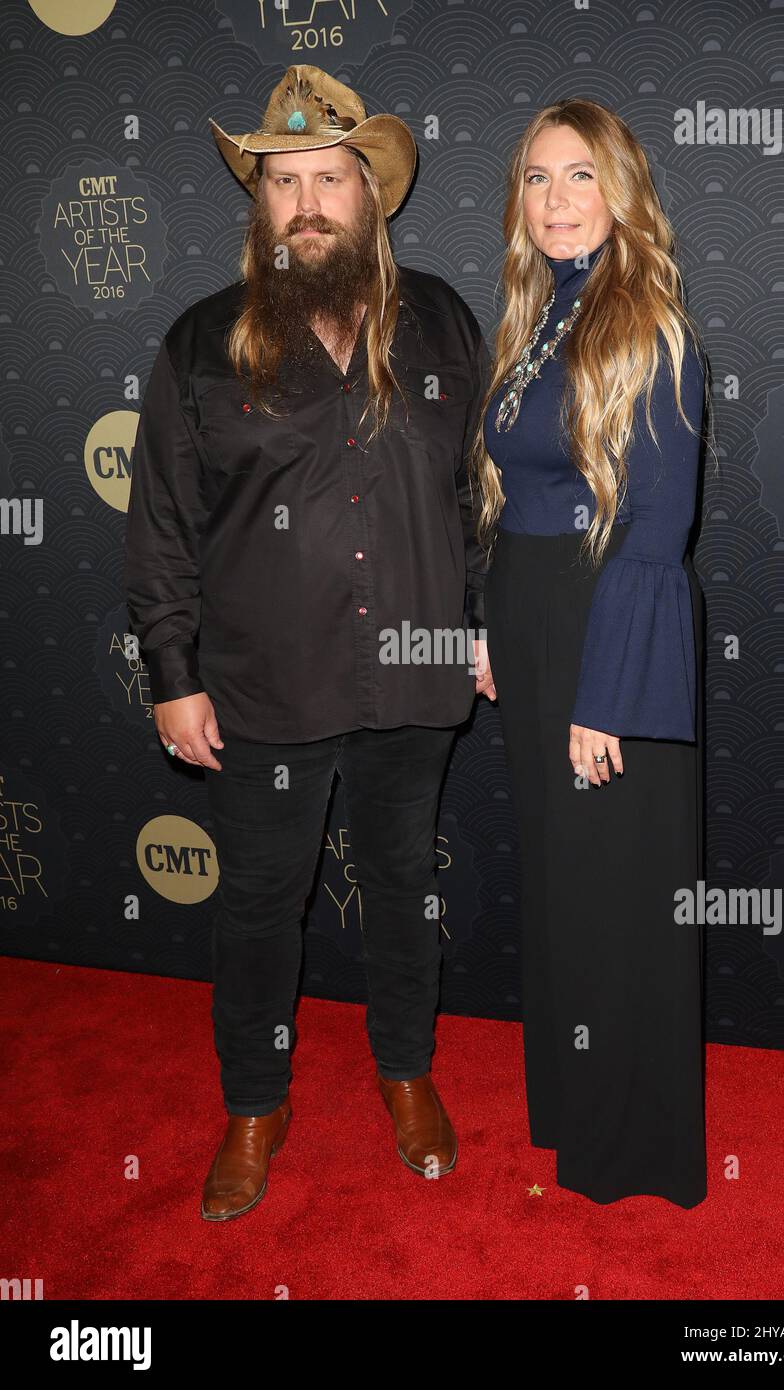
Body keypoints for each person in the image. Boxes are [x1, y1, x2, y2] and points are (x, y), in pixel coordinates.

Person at [124, 64, 492, 1221]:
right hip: (264, 686)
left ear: (369, 192)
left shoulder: (442, 321)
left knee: (401, 883)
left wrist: (482, 625)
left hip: (416, 670)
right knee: (256, 904)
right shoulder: (201, 342)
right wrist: (172, 675)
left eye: (328, 178)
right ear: (259, 202)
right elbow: (161, 525)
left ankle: (405, 1073)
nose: (306, 203)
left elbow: (478, 498)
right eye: (282, 182)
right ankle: (253, 1104)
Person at [471, 99, 711, 1208]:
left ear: (620, 191)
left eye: (579, 175)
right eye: (536, 177)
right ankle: (573, 1108)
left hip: (610, 627)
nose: (555, 199)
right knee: (563, 881)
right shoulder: (537, 314)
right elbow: (514, 499)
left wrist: (606, 694)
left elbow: (656, 525)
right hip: (533, 620)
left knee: (615, 888)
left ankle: (629, 1150)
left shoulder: (647, 324)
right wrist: (491, 628)